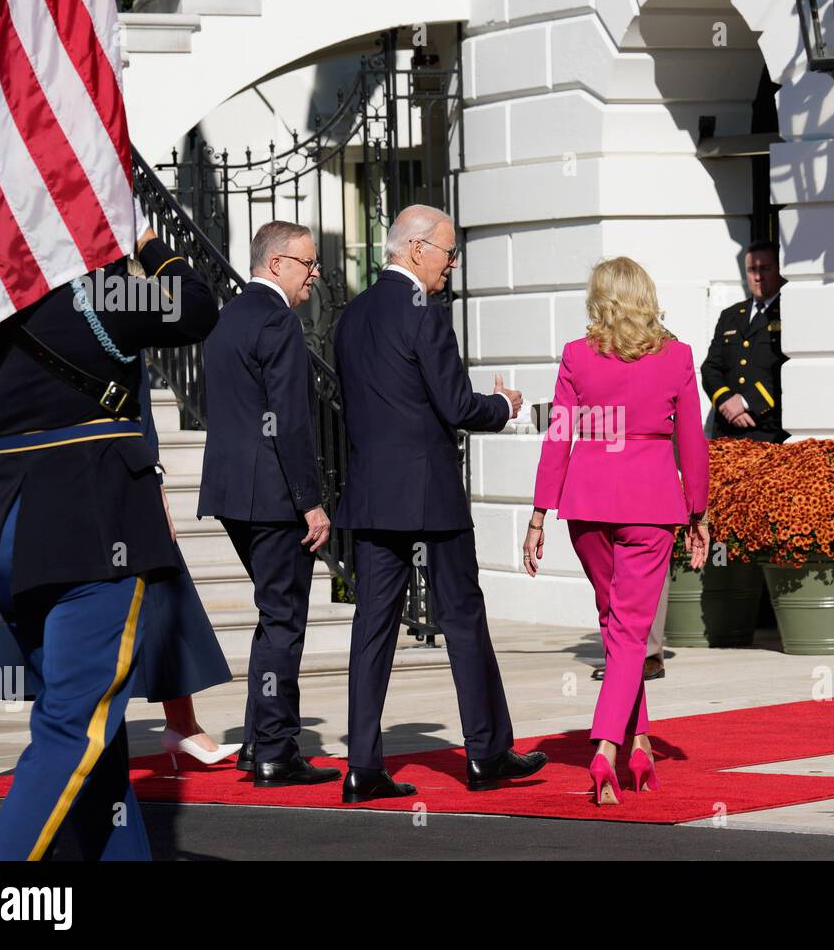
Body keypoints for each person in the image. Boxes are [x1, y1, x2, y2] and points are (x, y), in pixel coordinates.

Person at [0, 206, 219, 860]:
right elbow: (199, 305)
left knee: (101, 733)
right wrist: (148, 241)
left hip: (10, 537)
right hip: (90, 532)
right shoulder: (97, 292)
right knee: (71, 732)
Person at [332, 204, 546, 802]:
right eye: (449, 252)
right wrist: (504, 407)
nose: (452, 264)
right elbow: (455, 405)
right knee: (463, 618)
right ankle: (486, 754)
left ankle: (362, 767)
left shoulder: (351, 316)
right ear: (416, 249)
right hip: (429, 493)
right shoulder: (424, 312)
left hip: (375, 494)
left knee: (372, 626)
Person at [0, 360, 239, 767]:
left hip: (117, 470)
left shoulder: (108, 321)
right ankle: (71, 733)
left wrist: (152, 478)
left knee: (157, 585)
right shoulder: (39, 321)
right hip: (57, 474)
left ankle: (181, 725)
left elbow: (136, 404)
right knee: (63, 594)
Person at [526, 257, 710, 805]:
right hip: (651, 502)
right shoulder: (676, 356)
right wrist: (698, 512)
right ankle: (607, 747)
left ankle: (641, 742)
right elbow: (692, 442)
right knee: (630, 630)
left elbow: (558, 436)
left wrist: (539, 512)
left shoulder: (578, 356)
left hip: (587, 501)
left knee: (615, 623)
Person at [197, 220, 336, 788]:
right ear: (276, 264)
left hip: (233, 493)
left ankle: (260, 741)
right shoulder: (278, 320)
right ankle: (277, 750)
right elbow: (291, 423)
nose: (316, 275)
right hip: (274, 498)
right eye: (308, 263)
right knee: (284, 620)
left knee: (272, 616)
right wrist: (311, 502)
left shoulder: (227, 317)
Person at [700, 240, 790, 444]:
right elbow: (711, 368)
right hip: (727, 430)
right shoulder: (730, 316)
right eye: (751, 270)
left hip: (767, 429)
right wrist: (726, 402)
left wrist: (745, 402)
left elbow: (785, 369)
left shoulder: (789, 312)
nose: (758, 277)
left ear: (779, 270)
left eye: (765, 269)